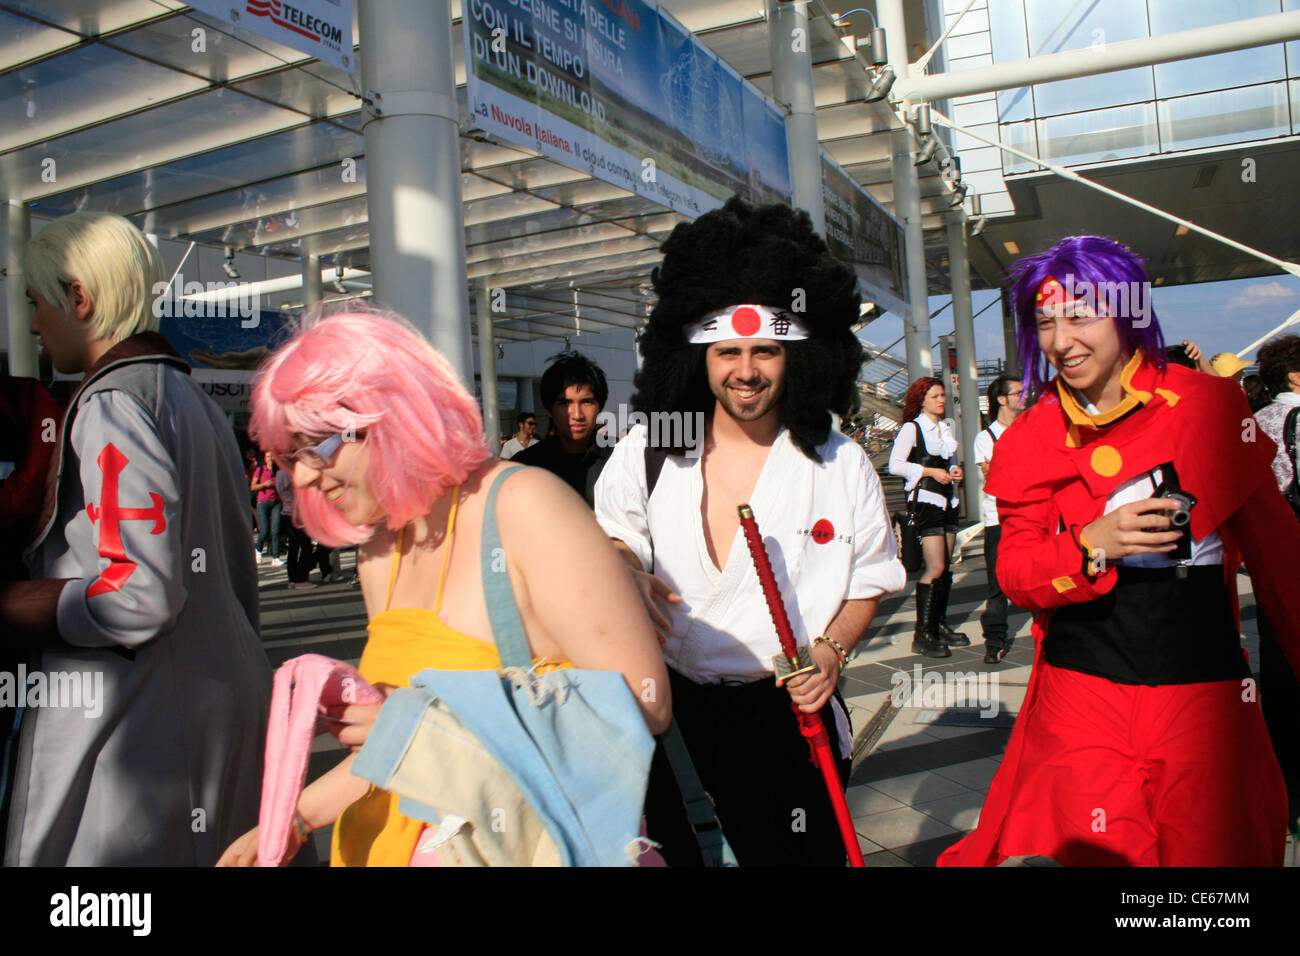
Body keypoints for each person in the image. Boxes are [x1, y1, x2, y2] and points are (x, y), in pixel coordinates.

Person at [218, 309, 669, 867]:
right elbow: (395, 750)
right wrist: (297, 817)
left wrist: (422, 729)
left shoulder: (523, 506)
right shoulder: (379, 551)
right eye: (291, 454)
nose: (304, 475)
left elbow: (642, 703)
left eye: (318, 446)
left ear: (391, 417)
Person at [939, 236, 1300, 867]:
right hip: (1082, 699)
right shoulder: (1031, 435)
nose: (1060, 340)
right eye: (1045, 322)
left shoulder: (1210, 406)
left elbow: (1283, 567)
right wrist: (1088, 546)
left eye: (1080, 316)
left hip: (1205, 698)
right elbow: (1016, 573)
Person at [595, 197, 905, 866]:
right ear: (696, 354)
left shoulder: (836, 459)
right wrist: (623, 571)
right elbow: (614, 540)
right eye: (727, 350)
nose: (746, 369)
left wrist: (830, 654)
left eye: (766, 349)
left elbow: (869, 579)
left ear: (799, 355)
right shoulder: (652, 446)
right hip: (676, 722)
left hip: (791, 723)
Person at [0, 211, 269, 865]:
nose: (34, 323)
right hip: (219, 701)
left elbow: (138, 594)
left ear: (79, 299)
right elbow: (234, 569)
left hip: (139, 725)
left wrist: (17, 605)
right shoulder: (193, 400)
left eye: (37, 301)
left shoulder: (112, 406)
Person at [1251, 334, 1300, 835]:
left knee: (1280, 672)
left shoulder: (1257, 421)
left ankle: (1285, 795)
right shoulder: (1298, 420)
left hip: (1271, 559)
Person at [888, 378, 966, 658]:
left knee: (945, 567)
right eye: (934, 396)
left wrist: (954, 471)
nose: (940, 400)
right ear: (921, 400)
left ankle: (938, 624)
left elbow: (946, 461)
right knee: (935, 566)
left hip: (947, 499)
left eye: (942, 395)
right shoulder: (913, 428)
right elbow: (895, 464)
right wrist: (930, 473)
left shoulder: (945, 428)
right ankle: (922, 634)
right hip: (925, 501)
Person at [513, 351, 611, 506]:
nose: (577, 414)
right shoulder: (526, 465)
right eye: (565, 403)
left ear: (599, 407)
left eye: (586, 402)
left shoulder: (622, 459)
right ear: (549, 409)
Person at [973, 374, 1023, 664]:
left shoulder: (1031, 429)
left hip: (1032, 514)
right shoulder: (986, 437)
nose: (1023, 397)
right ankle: (995, 640)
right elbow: (990, 476)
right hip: (998, 518)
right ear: (1002, 399)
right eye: (1017, 393)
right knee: (998, 583)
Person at [278, 465, 314, 589]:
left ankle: (293, 579)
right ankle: (300, 578)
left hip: (287, 513)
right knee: (305, 546)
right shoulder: (287, 473)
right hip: (295, 514)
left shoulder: (279, 474)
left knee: (294, 548)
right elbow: (297, 492)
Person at [251, 450, 283, 565]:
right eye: (268, 456)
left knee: (276, 530)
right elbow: (253, 487)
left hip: (277, 502)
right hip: (263, 502)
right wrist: (264, 485)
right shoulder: (260, 470)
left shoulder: (279, 470)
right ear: (265, 459)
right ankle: (258, 549)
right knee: (264, 530)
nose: (270, 458)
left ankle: (276, 557)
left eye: (272, 456)